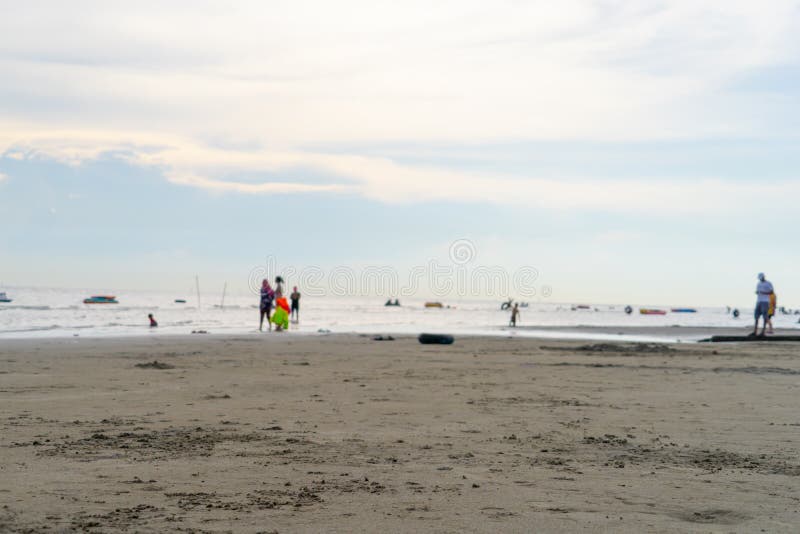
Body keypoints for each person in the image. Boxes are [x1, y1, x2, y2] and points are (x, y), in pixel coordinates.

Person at [753, 272, 774, 337]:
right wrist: (757, 292)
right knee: (756, 316)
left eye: (761, 278)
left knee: (765, 317)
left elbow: (771, 292)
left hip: (765, 301)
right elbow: (757, 291)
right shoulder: (758, 283)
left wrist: (763, 292)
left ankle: (763, 332)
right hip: (758, 301)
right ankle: (755, 331)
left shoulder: (768, 283)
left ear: (763, 277)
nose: (760, 279)